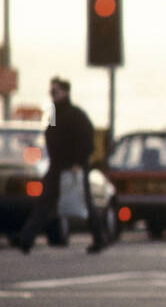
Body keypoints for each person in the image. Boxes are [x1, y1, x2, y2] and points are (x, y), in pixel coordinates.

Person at [13, 78, 108, 254]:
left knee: (85, 203)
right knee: (44, 203)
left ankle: (99, 239)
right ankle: (26, 239)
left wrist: (78, 163)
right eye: (52, 92)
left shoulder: (76, 115)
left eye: (56, 92)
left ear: (65, 92)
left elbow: (87, 141)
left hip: (74, 168)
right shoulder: (55, 114)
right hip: (57, 167)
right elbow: (51, 137)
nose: (53, 95)